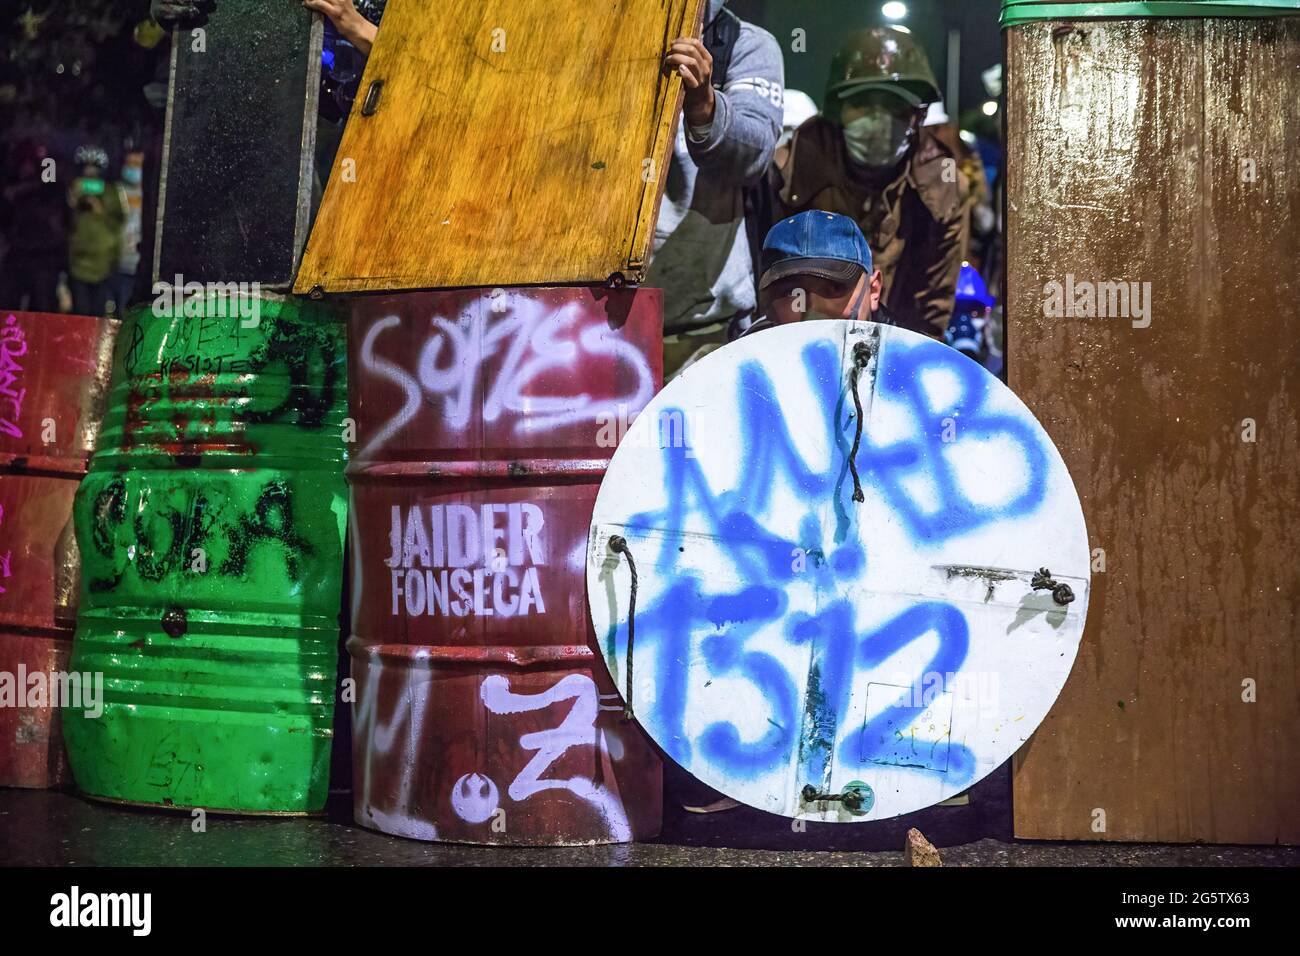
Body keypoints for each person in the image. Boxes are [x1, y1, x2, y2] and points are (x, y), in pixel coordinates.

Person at [772, 26, 968, 340]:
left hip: (896, 341)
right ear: (839, 111)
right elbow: (771, 279)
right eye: (863, 102)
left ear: (917, 116)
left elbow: (933, 301)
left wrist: (909, 363)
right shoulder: (790, 171)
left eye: (893, 104)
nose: (878, 119)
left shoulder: (941, 188)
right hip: (801, 340)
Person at [648, 0, 784, 379]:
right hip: (586, 324)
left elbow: (754, 155)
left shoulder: (745, 45)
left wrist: (705, 107)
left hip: (702, 335)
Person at [0, 140, 66, 313]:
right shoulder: (12, 175)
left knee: (43, 308)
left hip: (44, 256)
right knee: (9, 307)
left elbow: (53, 191)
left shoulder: (48, 173)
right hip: (18, 253)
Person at [66, 145, 125, 317]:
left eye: (94, 169)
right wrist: (71, 203)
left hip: (104, 266)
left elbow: (119, 223)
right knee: (80, 313)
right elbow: (65, 225)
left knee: (99, 314)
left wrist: (100, 209)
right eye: (86, 169)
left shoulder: (112, 192)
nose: (90, 173)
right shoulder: (74, 190)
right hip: (78, 265)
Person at [112, 150, 146, 317]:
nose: (133, 169)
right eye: (129, 164)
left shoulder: (151, 195)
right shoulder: (116, 192)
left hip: (137, 264)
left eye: (137, 164)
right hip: (115, 262)